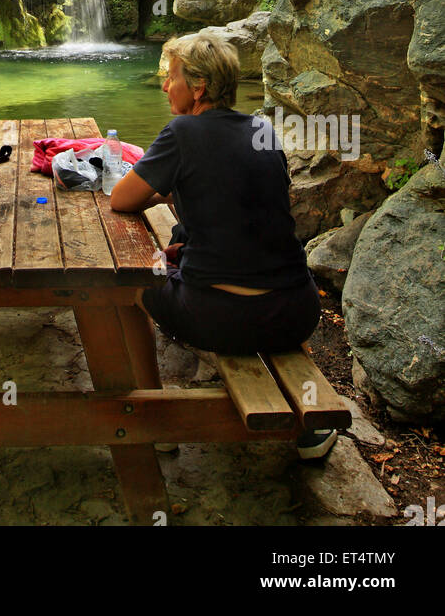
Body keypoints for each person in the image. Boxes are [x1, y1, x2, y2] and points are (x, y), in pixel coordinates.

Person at [110, 32, 336, 461]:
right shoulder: (262, 129)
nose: (164, 86)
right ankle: (311, 423)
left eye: (170, 77)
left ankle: (154, 417)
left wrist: (160, 192)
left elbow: (121, 199)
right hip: (296, 313)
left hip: (218, 318)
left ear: (197, 88)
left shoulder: (181, 131)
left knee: (127, 280)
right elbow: (249, 207)